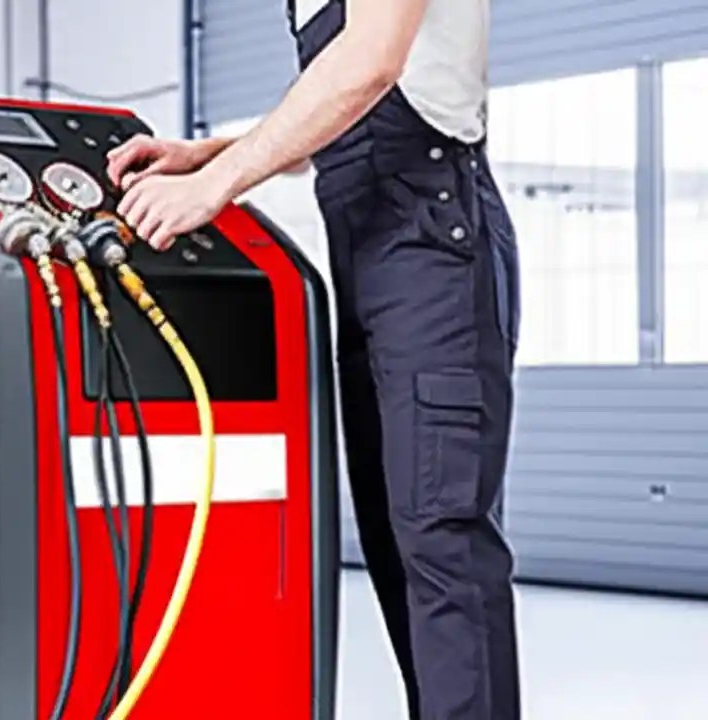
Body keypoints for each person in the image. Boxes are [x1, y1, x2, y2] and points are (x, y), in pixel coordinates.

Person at [106, 1, 521, 718]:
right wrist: (206, 154)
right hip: (372, 257)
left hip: (433, 246)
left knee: (442, 539)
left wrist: (216, 184)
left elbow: (369, 63)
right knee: (397, 541)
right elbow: (331, 118)